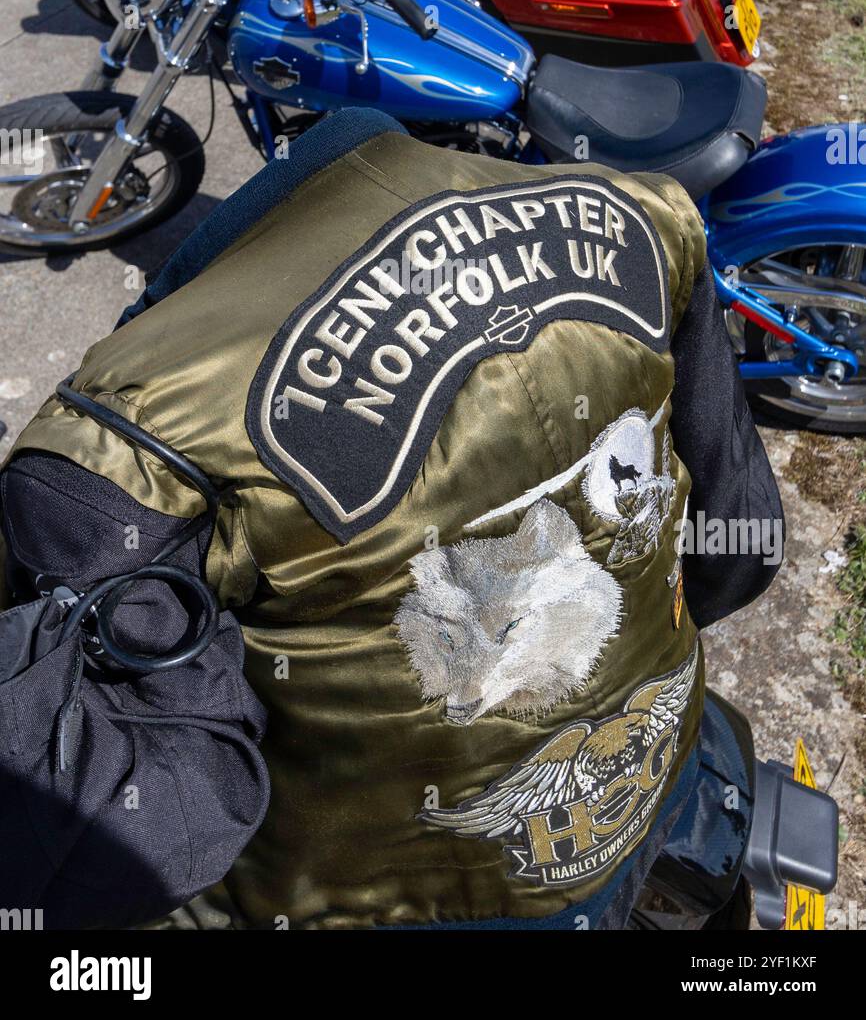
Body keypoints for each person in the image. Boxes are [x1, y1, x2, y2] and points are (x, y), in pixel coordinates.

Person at [0, 109, 783, 930]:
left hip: (386, 898)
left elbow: (158, 824)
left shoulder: (124, 446)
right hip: (664, 774)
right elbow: (741, 542)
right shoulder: (645, 214)